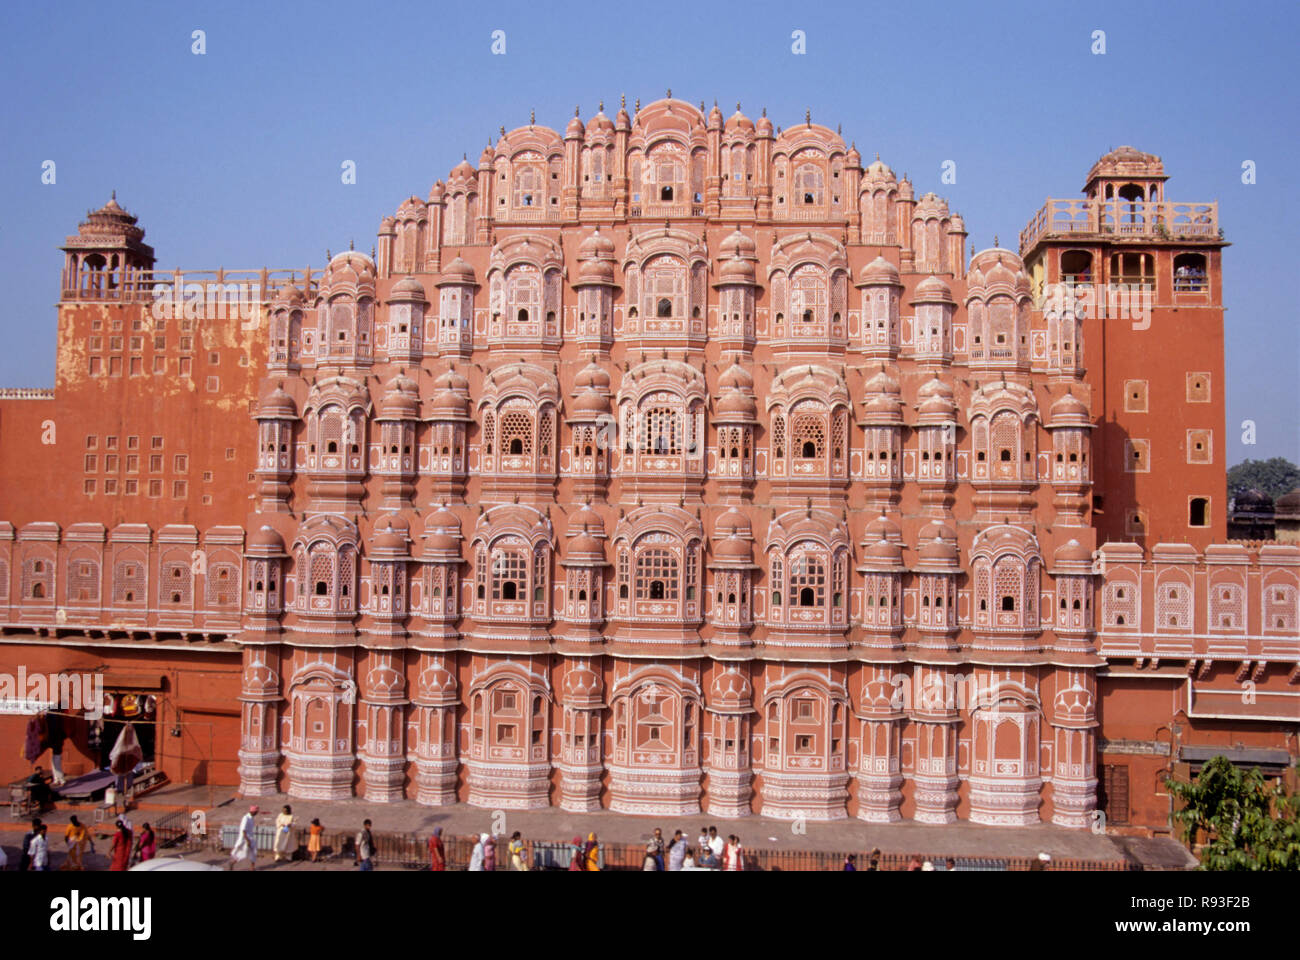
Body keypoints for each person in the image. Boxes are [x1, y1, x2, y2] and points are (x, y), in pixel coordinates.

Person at [229, 805, 259, 871]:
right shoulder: (246, 818)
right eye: (256, 812)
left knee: (253, 852)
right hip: (245, 839)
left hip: (250, 838)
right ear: (253, 811)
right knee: (242, 853)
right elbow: (243, 830)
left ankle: (252, 868)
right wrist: (247, 840)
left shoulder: (251, 818)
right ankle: (232, 863)